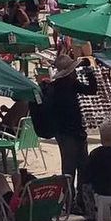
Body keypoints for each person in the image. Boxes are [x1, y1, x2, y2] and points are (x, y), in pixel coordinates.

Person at [38, 56, 97, 196]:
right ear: (69, 73)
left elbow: (91, 90)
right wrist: (89, 72)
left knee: (74, 167)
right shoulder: (66, 86)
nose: (75, 72)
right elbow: (92, 89)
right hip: (69, 133)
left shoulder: (61, 85)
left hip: (67, 132)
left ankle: (74, 198)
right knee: (75, 167)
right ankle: (74, 199)